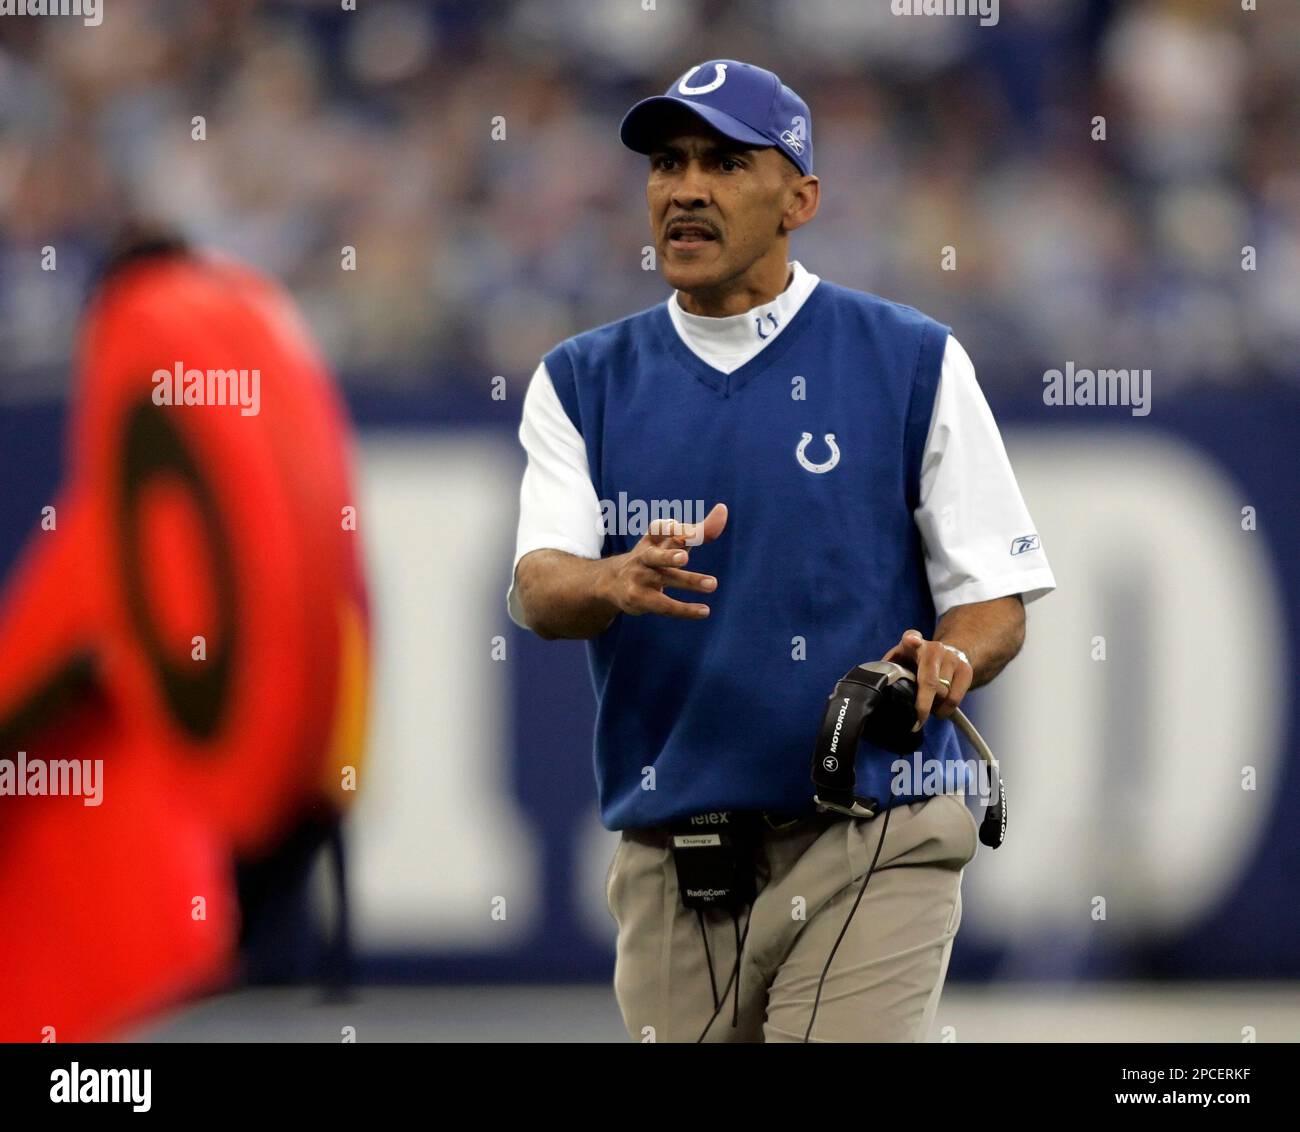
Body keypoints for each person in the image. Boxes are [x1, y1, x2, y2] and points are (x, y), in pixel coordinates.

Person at [507, 59, 1055, 1042]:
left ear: (799, 196)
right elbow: (538, 587)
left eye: (723, 160)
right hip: (676, 858)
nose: (685, 187)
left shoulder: (909, 358)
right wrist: (612, 578)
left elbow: (994, 592)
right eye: (667, 162)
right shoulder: (579, 379)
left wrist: (952, 658)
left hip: (872, 827)